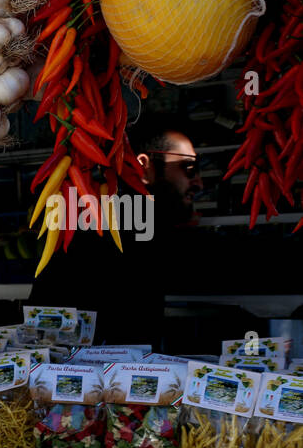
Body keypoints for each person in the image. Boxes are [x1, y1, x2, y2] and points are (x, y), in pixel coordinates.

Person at [27, 114, 203, 349]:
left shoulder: (103, 211)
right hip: (96, 373)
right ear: (144, 167)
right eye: (188, 167)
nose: (199, 182)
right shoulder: (134, 219)